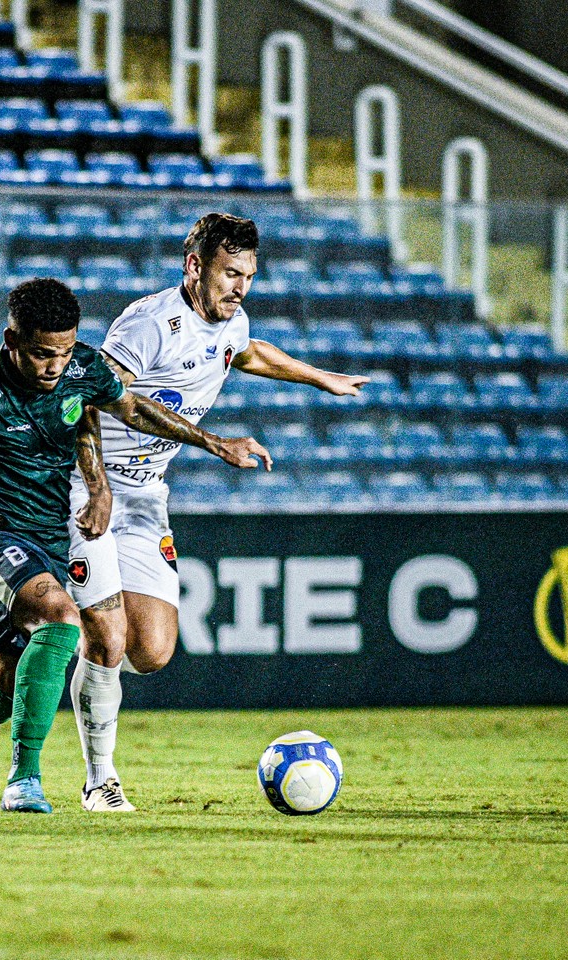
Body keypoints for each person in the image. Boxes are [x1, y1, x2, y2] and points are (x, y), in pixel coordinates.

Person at [0, 277, 270, 814]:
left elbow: (133, 408)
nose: (55, 366)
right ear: (11, 340)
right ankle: (24, 779)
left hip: (50, 540)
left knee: (10, 691)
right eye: (41, 354)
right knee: (62, 621)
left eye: (63, 351)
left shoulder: (81, 367)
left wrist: (212, 442)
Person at [67, 213, 370, 812]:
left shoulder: (232, 321)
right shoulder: (149, 324)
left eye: (249, 276)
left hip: (149, 496)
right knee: (109, 637)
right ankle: (98, 780)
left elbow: (246, 352)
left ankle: (61, 645)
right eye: (230, 273)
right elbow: (93, 399)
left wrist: (318, 378)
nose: (240, 287)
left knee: (150, 651)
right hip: (87, 489)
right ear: (194, 266)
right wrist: (208, 445)